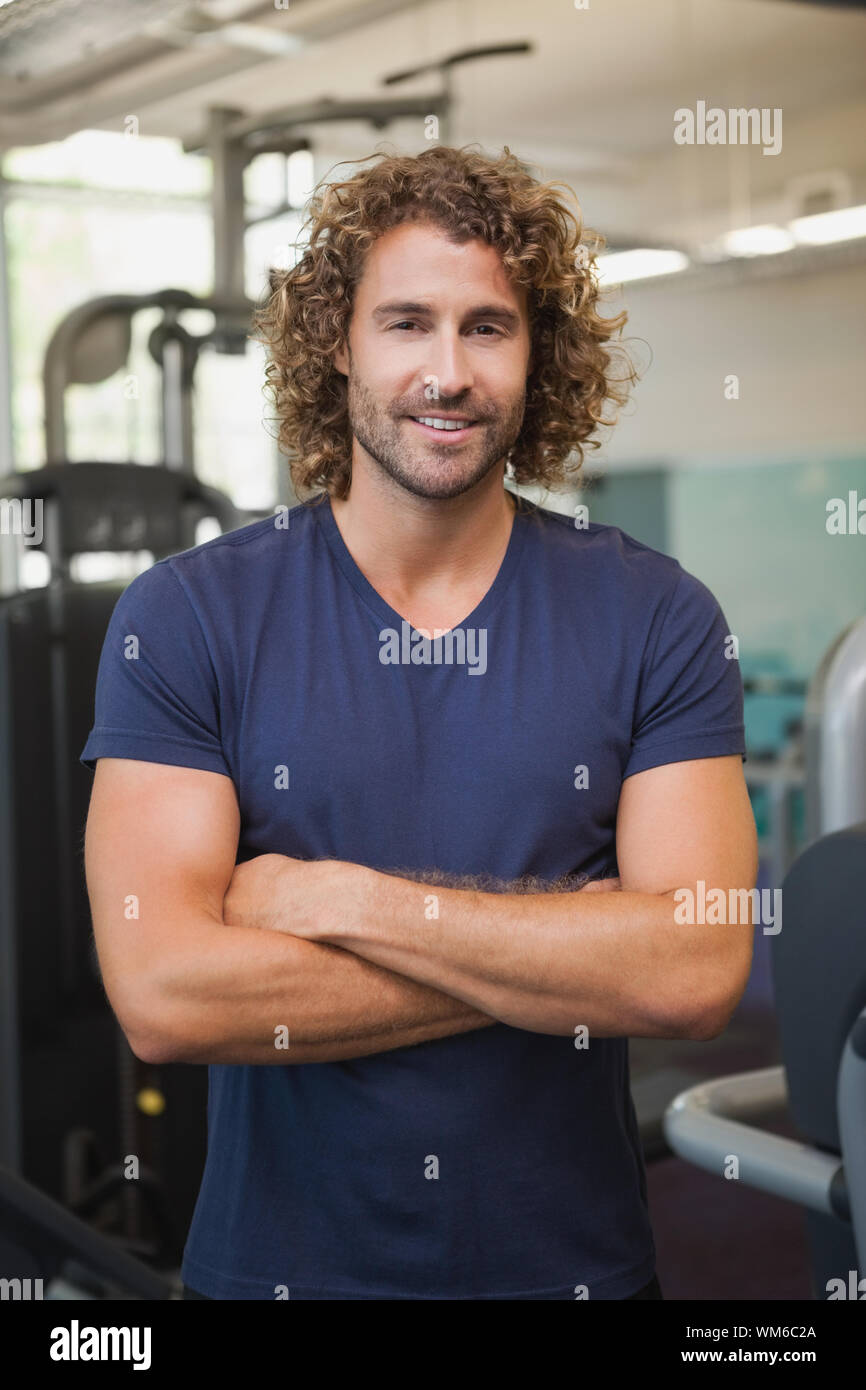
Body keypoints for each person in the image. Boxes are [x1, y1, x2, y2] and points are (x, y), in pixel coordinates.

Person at [81, 144, 757, 1301]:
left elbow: (692, 973)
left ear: (536, 353)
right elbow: (165, 994)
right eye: (405, 322)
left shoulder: (656, 616)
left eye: (486, 327)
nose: (446, 372)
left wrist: (342, 901)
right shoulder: (189, 616)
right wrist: (567, 956)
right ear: (337, 341)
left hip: (572, 1278)